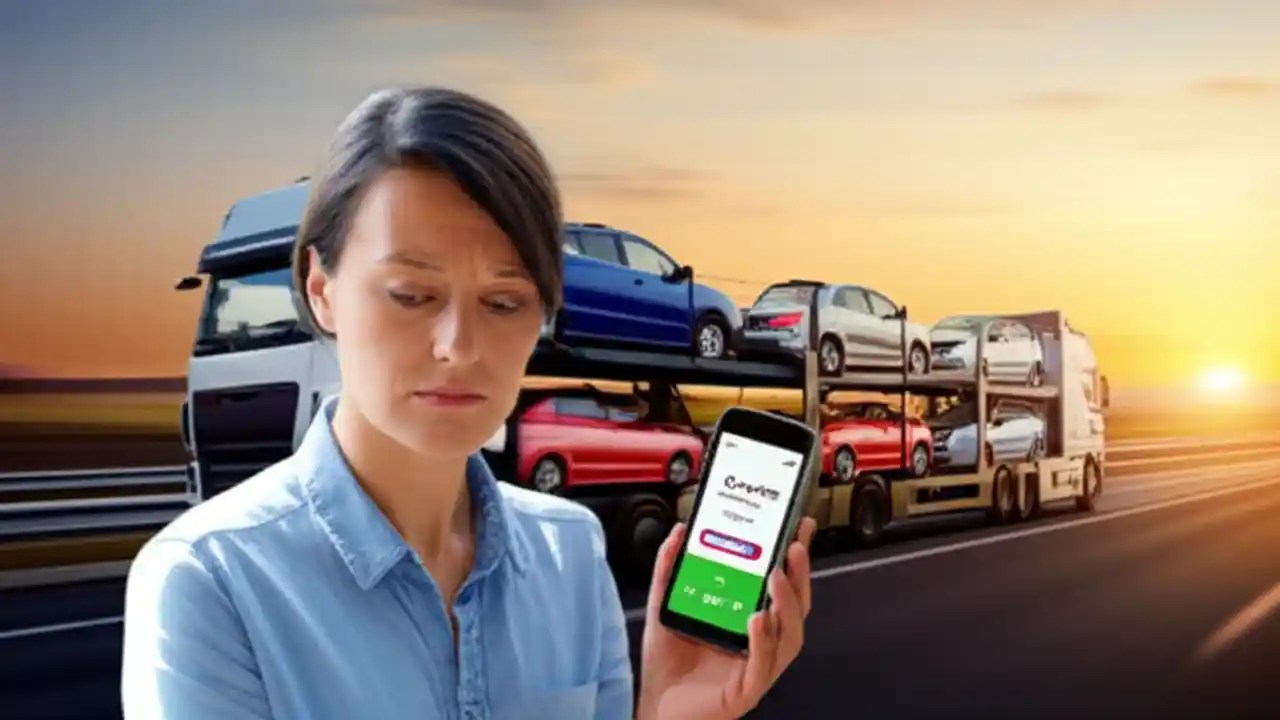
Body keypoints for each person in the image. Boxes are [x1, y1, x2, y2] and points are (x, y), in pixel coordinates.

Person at [121, 85, 815, 720]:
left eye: (504, 302)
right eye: (412, 295)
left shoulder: (571, 553)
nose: (459, 344)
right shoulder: (208, 581)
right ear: (322, 289)